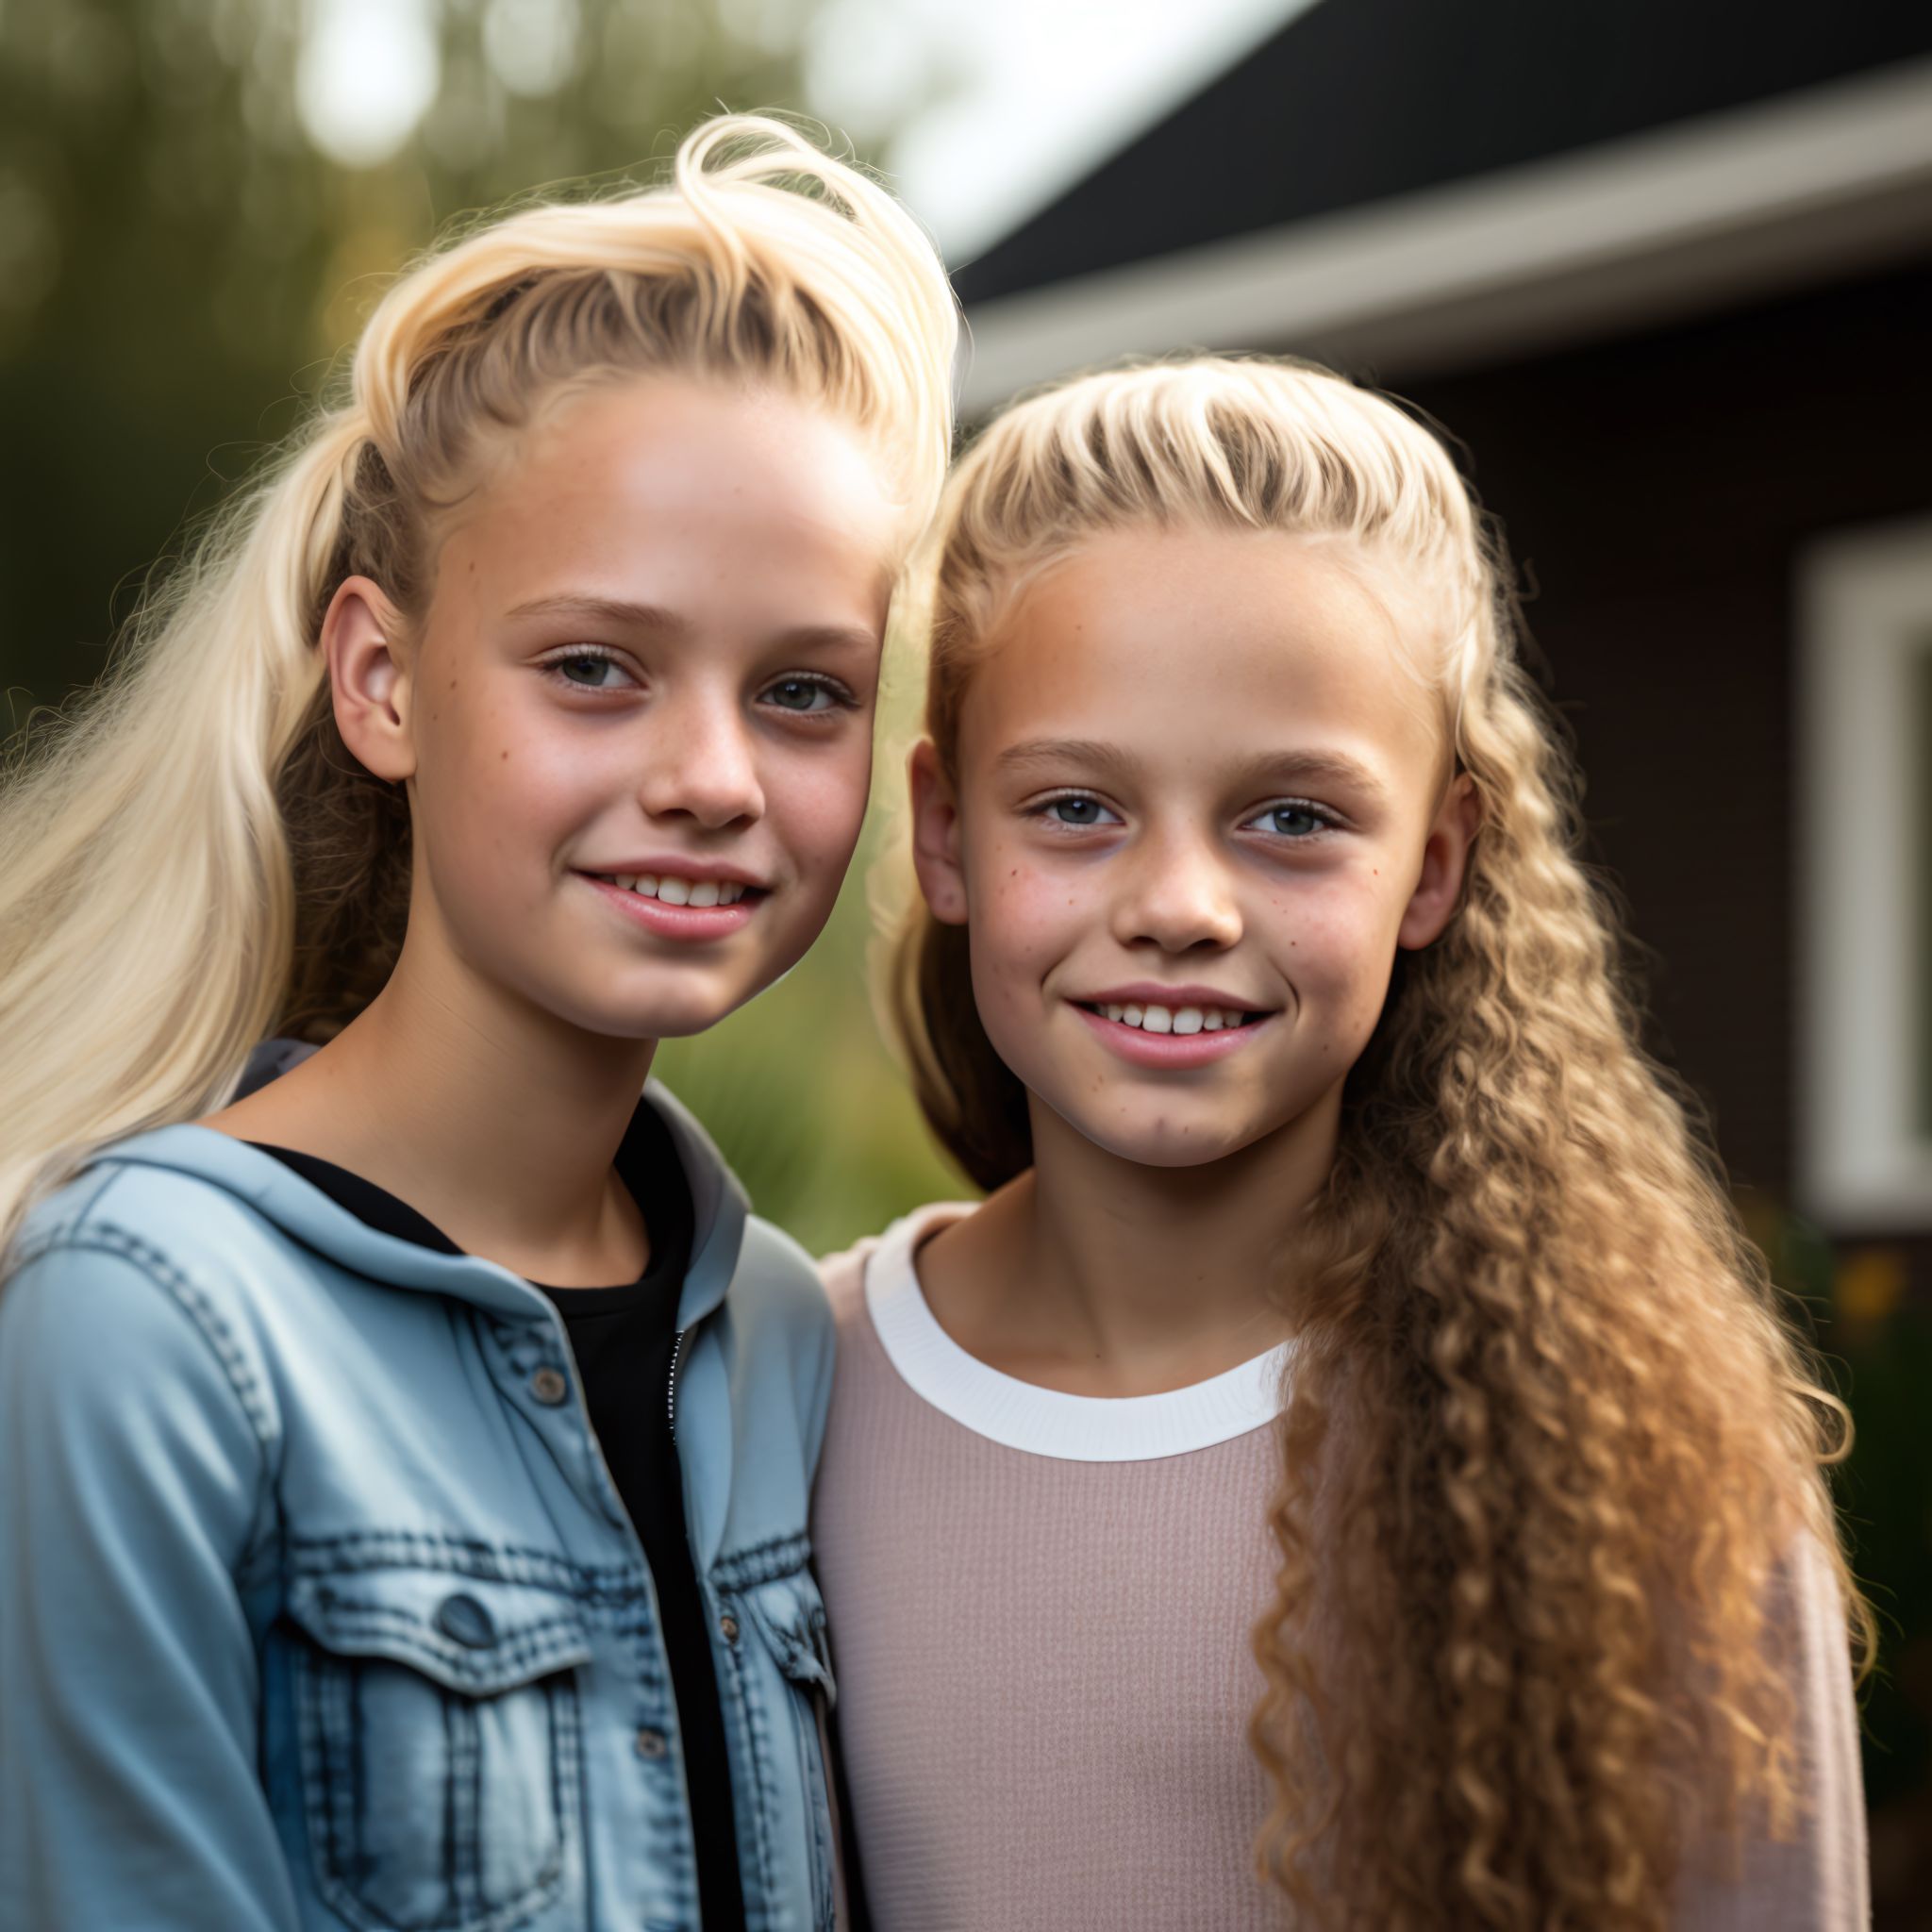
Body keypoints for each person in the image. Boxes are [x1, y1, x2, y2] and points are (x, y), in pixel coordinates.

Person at [0, 114, 955, 1932]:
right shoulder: (146, 1323)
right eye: (595, 668)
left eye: (802, 691)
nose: (713, 777)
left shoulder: (776, 1334)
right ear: (381, 681)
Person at [812, 357, 1871, 1930]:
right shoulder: (779, 1392)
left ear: (1433, 867)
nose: (1180, 905)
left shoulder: (1627, 1453)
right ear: (946, 832)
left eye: (1293, 818)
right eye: (1079, 808)